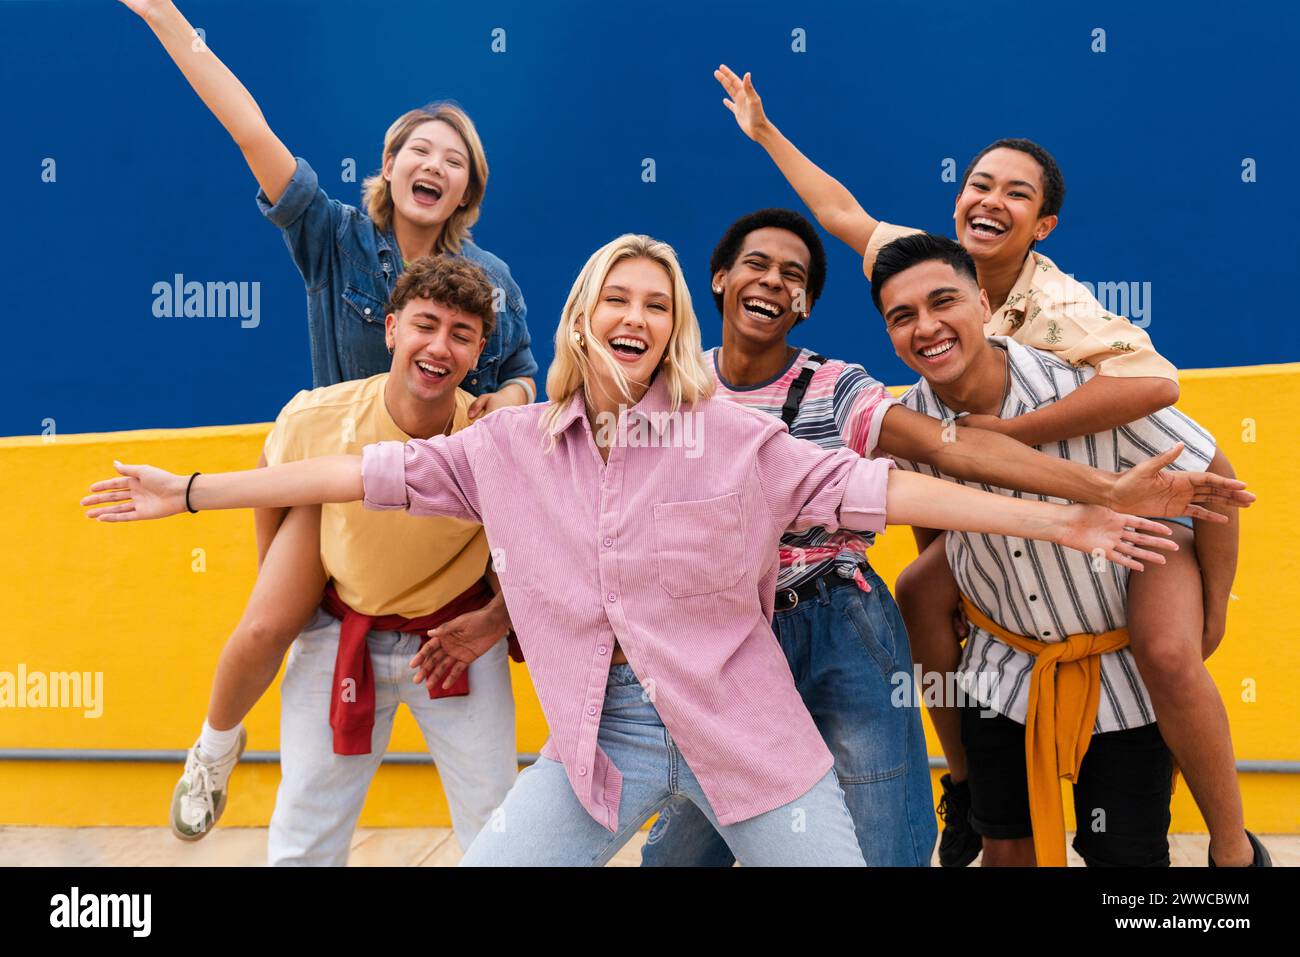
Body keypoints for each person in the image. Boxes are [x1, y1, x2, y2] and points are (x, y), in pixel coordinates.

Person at [84, 234, 1225, 867]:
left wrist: (1069, 514)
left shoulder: (739, 436)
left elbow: (884, 484)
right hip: (606, 742)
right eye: (616, 296)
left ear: (675, 328)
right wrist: (190, 489)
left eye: (657, 301)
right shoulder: (513, 446)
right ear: (586, 317)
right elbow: (351, 473)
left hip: (748, 731)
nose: (636, 313)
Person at [712, 64, 1254, 867]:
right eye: (977, 183)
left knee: (1169, 656)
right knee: (921, 585)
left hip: (1129, 503)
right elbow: (837, 210)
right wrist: (764, 132)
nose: (989, 200)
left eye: (1016, 194)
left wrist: (1016, 430)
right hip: (1002, 510)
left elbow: (1161, 388)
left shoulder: (1062, 313)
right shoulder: (922, 266)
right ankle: (964, 783)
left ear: (1044, 226)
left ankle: (1234, 852)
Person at [115, 0, 538, 840]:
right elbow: (247, 128)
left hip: (440, 489)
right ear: (390, 161)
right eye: (420, 147)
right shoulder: (334, 235)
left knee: (521, 601)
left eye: (454, 160)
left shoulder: (489, 278)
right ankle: (213, 747)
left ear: (468, 188)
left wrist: (512, 399)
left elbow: (525, 372)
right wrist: (166, 18)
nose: (434, 163)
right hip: (337, 473)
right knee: (273, 622)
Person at [874, 231, 1268, 866]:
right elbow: (936, 530)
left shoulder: (1085, 390)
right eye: (902, 317)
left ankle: (1237, 855)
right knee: (1007, 853)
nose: (926, 326)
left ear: (983, 300)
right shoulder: (909, 428)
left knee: (1127, 871)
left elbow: (1216, 485)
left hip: (1121, 681)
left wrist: (1213, 612)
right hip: (1002, 674)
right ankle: (965, 786)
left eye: (943, 301)